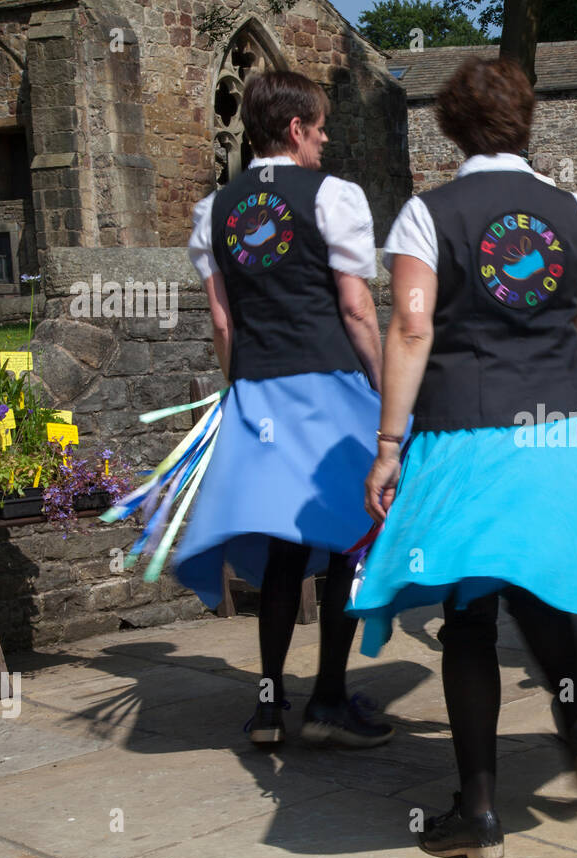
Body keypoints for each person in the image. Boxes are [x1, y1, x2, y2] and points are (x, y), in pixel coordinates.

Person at [349, 57, 577, 858]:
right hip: (563, 430)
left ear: (450, 127)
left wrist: (390, 444)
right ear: (528, 120)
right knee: (538, 584)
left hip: (469, 431)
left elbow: (411, 329)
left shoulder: (429, 214)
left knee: (468, 613)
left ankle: (480, 816)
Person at [177, 70, 393, 749]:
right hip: (328, 389)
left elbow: (221, 321)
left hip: (257, 394)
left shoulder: (213, 211)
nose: (326, 138)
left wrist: (238, 394)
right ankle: (328, 699)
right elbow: (357, 308)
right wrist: (385, 392)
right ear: (296, 129)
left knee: (281, 551)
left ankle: (268, 707)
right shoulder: (333, 197)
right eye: (321, 126)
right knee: (345, 540)